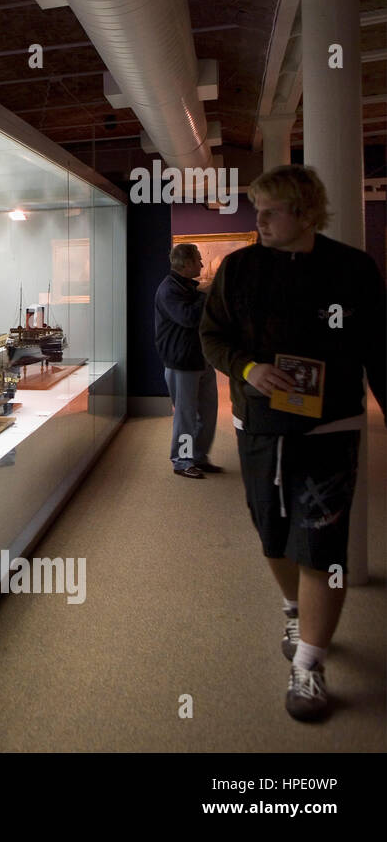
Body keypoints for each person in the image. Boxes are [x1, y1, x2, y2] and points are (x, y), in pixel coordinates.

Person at [199, 164, 386, 722]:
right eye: (256, 207)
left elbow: (380, 349)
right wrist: (248, 368)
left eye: (270, 210)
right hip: (258, 427)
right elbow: (212, 336)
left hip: (330, 430)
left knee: (323, 546)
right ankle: (292, 608)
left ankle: (310, 661)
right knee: (272, 537)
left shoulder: (353, 270)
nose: (258, 219)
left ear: (305, 213)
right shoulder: (238, 270)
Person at [154, 242, 222, 478]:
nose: (202, 264)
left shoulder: (186, 288)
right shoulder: (168, 290)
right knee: (186, 417)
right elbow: (189, 318)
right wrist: (206, 294)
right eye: (198, 259)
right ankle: (182, 461)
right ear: (186, 263)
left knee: (208, 412)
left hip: (201, 359)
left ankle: (199, 457)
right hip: (182, 363)